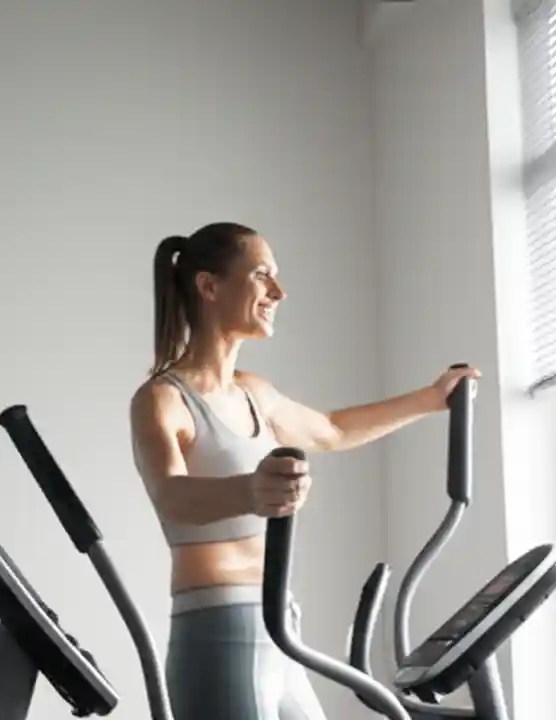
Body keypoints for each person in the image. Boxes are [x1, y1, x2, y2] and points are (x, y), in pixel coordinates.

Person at [128, 222, 480, 719]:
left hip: (280, 629)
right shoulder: (162, 400)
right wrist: (251, 491)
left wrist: (430, 398)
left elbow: (333, 430)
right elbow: (172, 497)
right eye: (262, 275)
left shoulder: (255, 392)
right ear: (209, 286)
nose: (279, 292)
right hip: (217, 629)